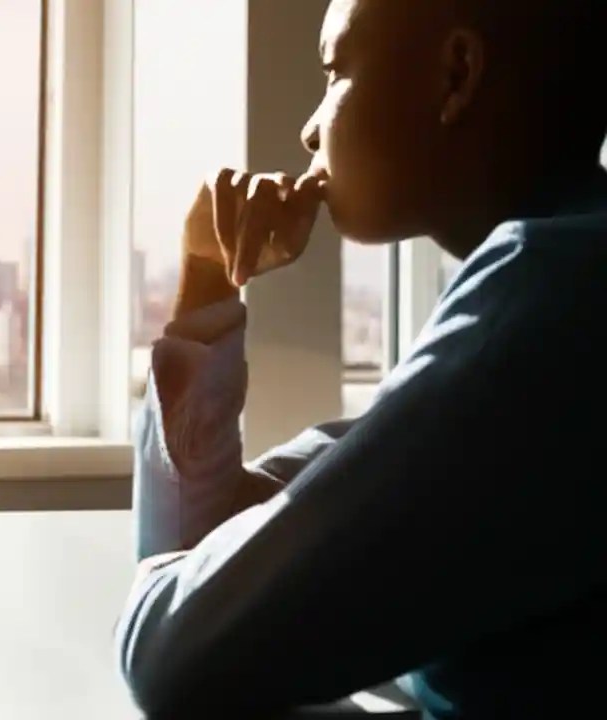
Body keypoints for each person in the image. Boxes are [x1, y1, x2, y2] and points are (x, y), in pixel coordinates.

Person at [113, 0, 607, 717]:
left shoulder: (554, 301)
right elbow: (216, 547)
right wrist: (207, 277)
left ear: (456, 74)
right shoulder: (548, 294)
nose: (310, 128)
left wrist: (200, 587)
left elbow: (175, 655)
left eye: (335, 70)